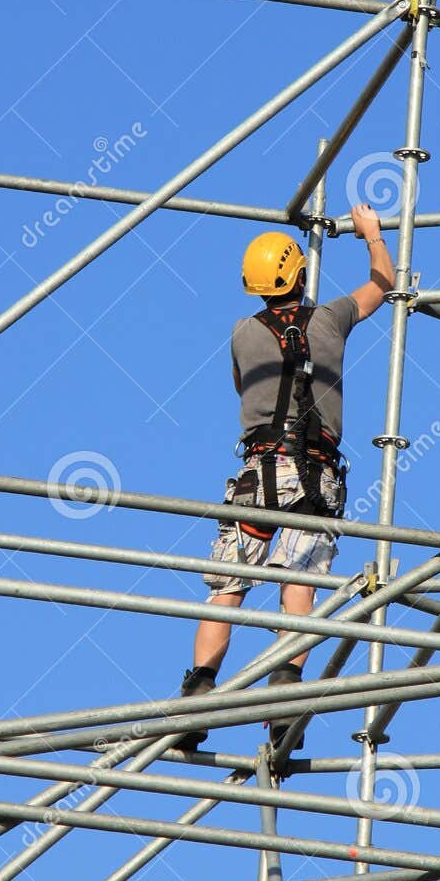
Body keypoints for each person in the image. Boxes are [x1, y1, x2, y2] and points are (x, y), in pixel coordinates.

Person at [180, 204, 395, 752]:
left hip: (257, 475)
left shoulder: (241, 333)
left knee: (226, 586)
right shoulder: (330, 320)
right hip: (314, 477)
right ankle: (283, 705)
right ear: (300, 275)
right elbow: (384, 284)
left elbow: (243, 389)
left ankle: (197, 696)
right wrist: (371, 236)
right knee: (297, 587)